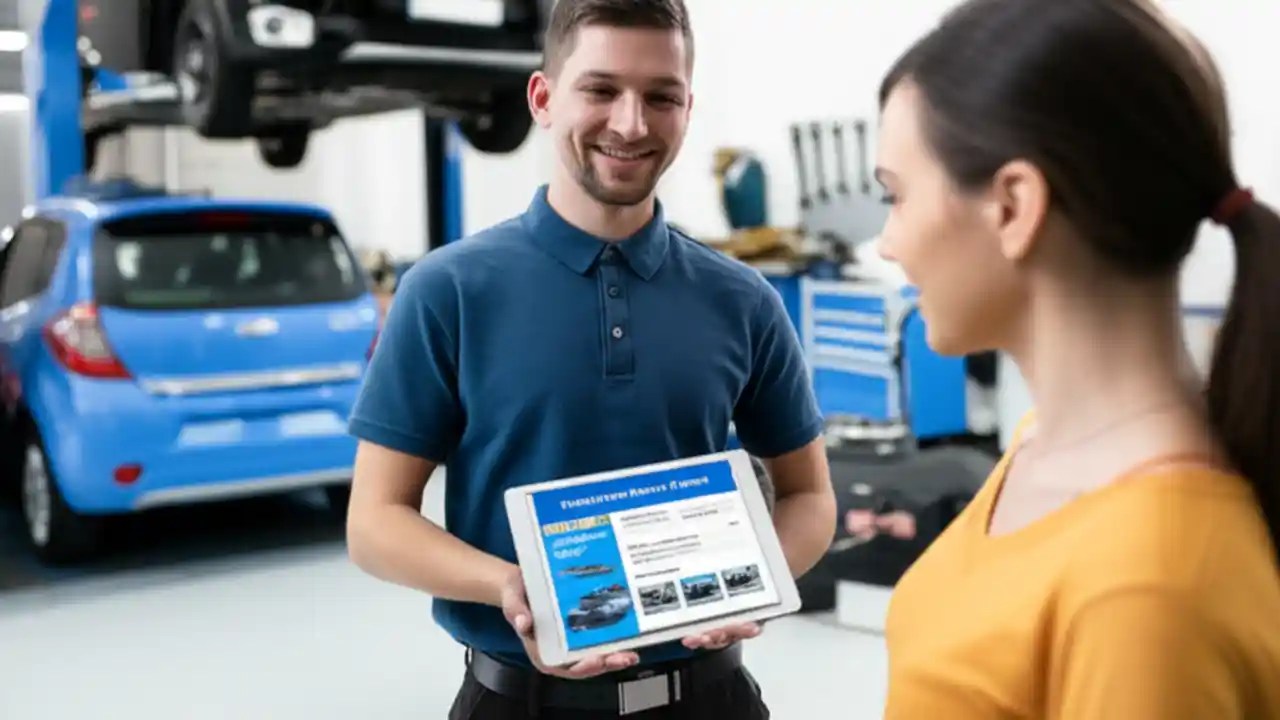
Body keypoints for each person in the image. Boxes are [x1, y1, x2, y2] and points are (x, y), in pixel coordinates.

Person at [343, 0, 837, 717]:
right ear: (544, 99)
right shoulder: (447, 291)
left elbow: (809, 495)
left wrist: (762, 576)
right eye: (601, 90)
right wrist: (513, 587)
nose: (631, 124)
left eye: (660, 96)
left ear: (687, 108)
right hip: (517, 701)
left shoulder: (743, 299)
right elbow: (374, 522)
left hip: (710, 699)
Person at [871, 0, 1280, 717]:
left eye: (895, 196)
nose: (886, 242)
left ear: (1013, 206)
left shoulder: (1149, 585)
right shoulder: (1045, 448)